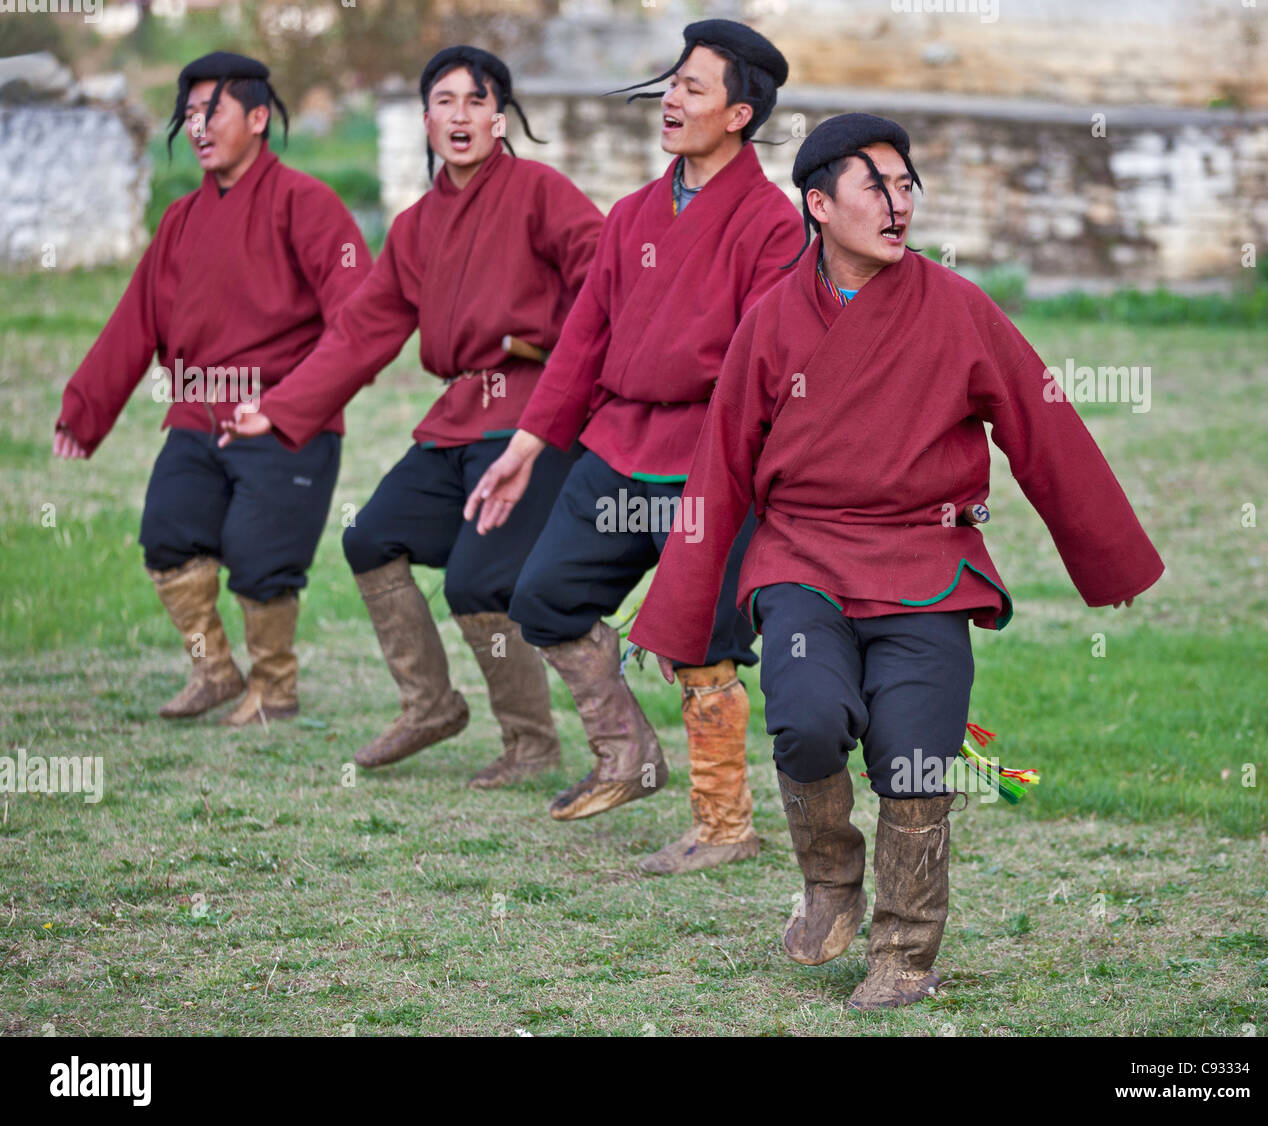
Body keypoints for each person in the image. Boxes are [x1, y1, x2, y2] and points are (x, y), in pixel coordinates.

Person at [628, 113, 1165, 1004]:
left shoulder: (957, 308)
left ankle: (904, 953)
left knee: (916, 756)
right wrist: (682, 612)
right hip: (801, 555)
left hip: (927, 562)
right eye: (874, 186)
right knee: (804, 716)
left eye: (906, 185)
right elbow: (720, 469)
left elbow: (1042, 425)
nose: (897, 203)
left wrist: (1107, 561)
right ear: (819, 203)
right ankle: (832, 882)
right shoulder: (771, 321)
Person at [465, 20, 805, 875]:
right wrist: (530, 444)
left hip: (707, 461)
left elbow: (760, 365)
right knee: (541, 596)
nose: (672, 99)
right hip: (616, 448)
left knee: (702, 638)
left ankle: (725, 823)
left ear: (739, 113)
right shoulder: (631, 215)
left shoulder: (771, 225)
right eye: (672, 83)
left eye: (693, 87)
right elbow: (582, 342)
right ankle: (628, 754)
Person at [219, 47, 603, 785]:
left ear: (500, 116)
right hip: (457, 415)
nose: (460, 116)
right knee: (370, 537)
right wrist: (279, 408)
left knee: (477, 581)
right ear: (426, 118)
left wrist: (546, 343)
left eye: (475, 101)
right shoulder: (416, 225)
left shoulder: (541, 192)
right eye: (444, 102)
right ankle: (429, 705)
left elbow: (602, 278)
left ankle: (531, 743)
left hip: (530, 414)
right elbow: (361, 332)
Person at [54, 52, 371, 727]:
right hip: (199, 412)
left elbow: (358, 317)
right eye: (188, 115)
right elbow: (134, 319)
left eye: (211, 112)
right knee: (168, 539)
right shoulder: (179, 220)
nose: (196, 127)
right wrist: (84, 409)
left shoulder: (308, 205)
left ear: (258, 117)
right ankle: (214, 670)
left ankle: (275, 688)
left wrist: (292, 406)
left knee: (262, 563)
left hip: (286, 417)